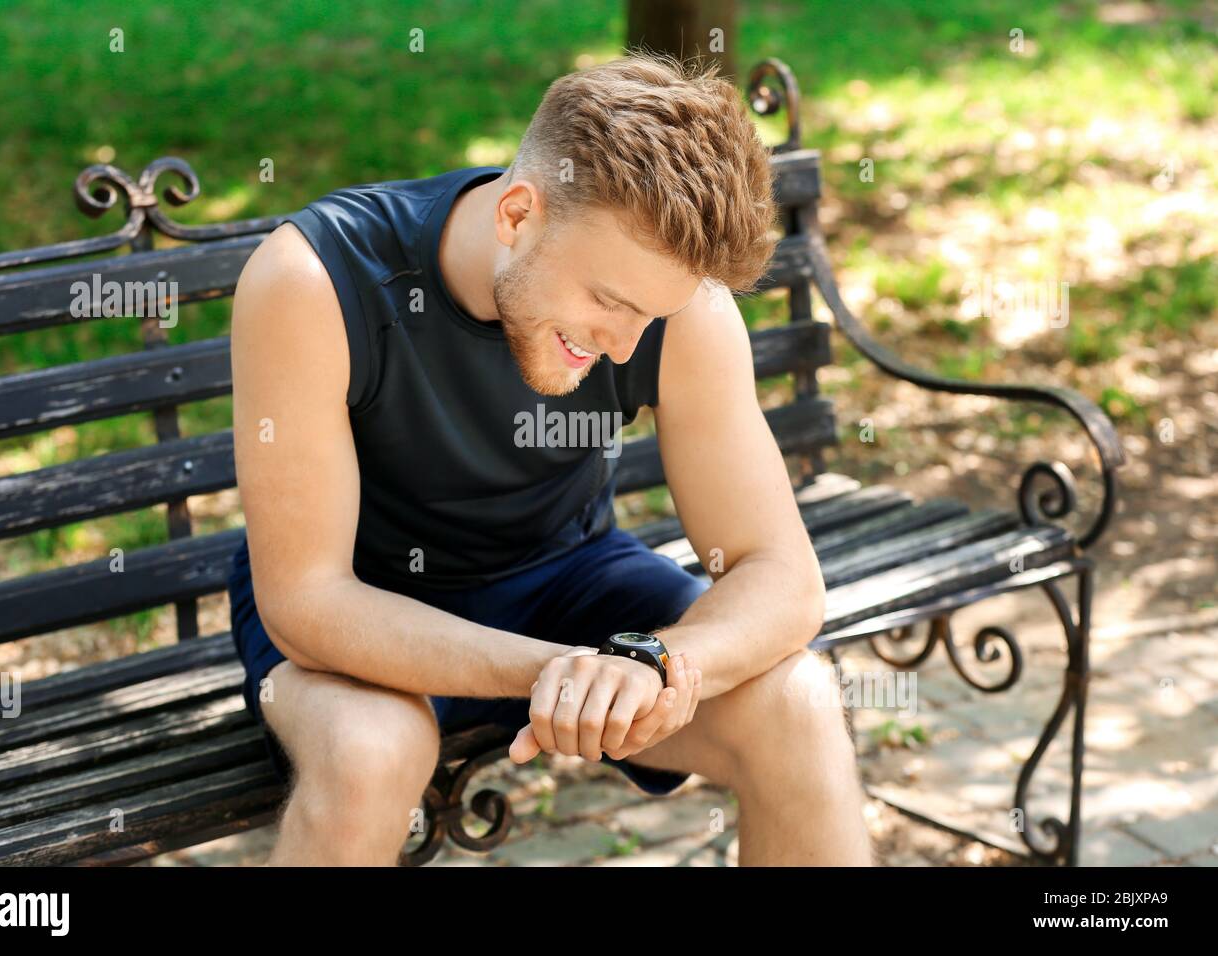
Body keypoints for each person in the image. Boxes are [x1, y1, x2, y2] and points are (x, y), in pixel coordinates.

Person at [228, 51, 871, 866]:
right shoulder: (313, 279)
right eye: (608, 301)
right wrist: (569, 673)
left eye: (650, 317)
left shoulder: (679, 309)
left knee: (802, 703)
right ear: (517, 214)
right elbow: (308, 600)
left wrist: (657, 663)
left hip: (567, 580)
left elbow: (779, 572)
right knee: (368, 753)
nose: (624, 346)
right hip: (364, 610)